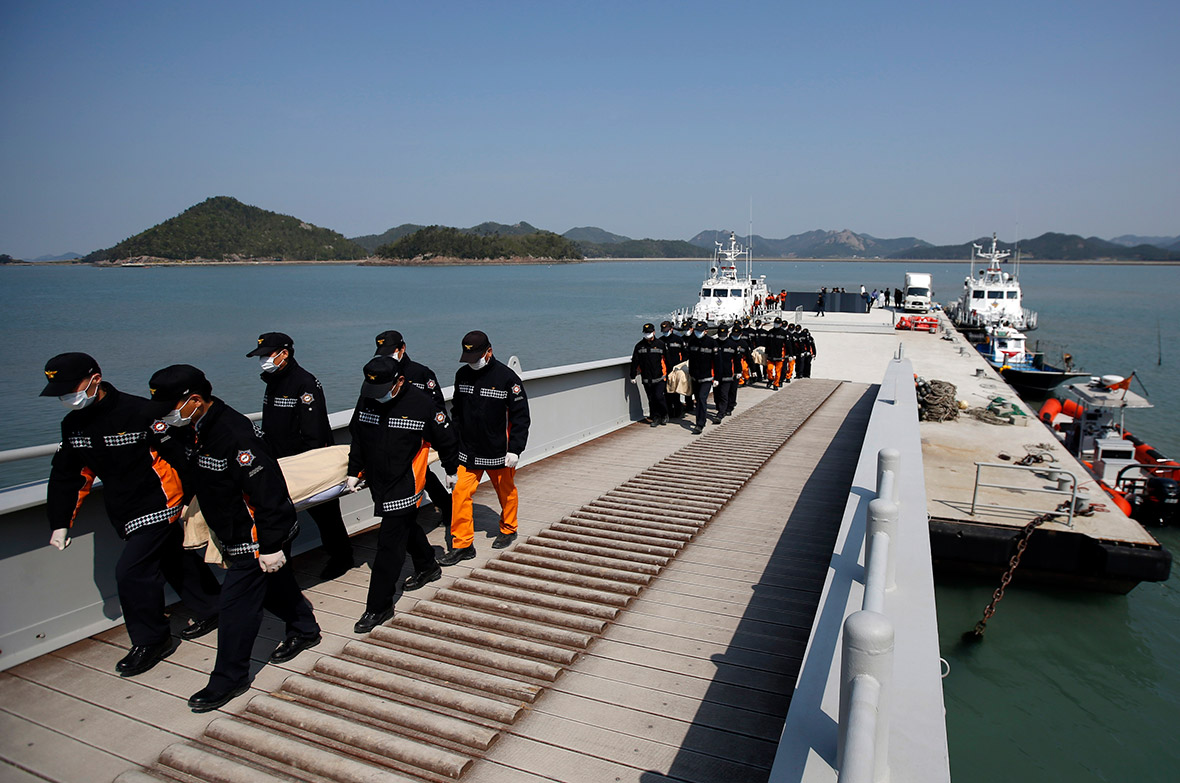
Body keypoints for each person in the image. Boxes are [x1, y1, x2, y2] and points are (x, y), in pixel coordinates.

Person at [147, 364, 320, 713]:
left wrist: (270, 546)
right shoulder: (194, 429)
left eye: (168, 410)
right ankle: (304, 627)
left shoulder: (236, 435)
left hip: (256, 535)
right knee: (275, 587)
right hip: (231, 530)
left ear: (194, 400)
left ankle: (229, 677)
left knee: (236, 607)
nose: (164, 418)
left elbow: (270, 494)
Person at [41, 353, 221, 677]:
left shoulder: (141, 413)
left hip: (162, 501)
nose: (66, 396)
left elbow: (182, 453)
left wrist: (191, 498)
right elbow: (71, 476)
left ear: (95, 379)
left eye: (71, 387)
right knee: (171, 558)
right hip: (123, 507)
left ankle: (152, 640)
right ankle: (211, 607)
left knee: (131, 572)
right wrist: (60, 523)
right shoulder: (73, 426)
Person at [345, 356, 459, 633]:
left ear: (399, 381)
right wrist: (354, 469)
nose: (377, 396)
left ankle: (379, 605)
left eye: (383, 389)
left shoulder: (422, 404)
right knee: (404, 527)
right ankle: (427, 565)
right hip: (378, 478)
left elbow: (446, 439)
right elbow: (358, 435)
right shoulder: (368, 398)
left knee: (388, 543)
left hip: (406, 481)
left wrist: (451, 469)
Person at [246, 332, 354, 580]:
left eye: (267, 355)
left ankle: (342, 557)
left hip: (306, 463)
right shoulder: (273, 382)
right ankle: (283, 570)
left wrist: (313, 465)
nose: (263, 360)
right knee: (280, 518)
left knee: (327, 516)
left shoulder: (304, 383)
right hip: (278, 463)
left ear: (284, 353)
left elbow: (314, 429)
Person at [442, 330, 531, 565]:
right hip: (468, 450)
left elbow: (521, 417)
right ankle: (462, 544)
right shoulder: (462, 375)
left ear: (488, 352)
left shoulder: (507, 378)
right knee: (460, 493)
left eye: (476, 358)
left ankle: (509, 527)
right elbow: (457, 412)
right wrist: (453, 445)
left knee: (506, 491)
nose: (472, 363)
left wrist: (515, 449)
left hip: (499, 451)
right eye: (468, 359)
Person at [373, 330, 453, 523]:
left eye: (391, 351)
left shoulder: (420, 373)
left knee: (422, 474)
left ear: (402, 348)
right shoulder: (379, 373)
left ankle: (445, 506)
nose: (387, 356)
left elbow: (437, 407)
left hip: (418, 435)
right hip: (391, 437)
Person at [629, 322, 668, 427]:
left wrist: (668, 375)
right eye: (646, 333)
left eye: (649, 332)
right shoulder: (639, 346)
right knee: (651, 399)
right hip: (646, 378)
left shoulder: (660, 344)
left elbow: (667, 360)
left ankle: (664, 414)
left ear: (654, 332)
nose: (648, 334)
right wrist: (632, 376)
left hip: (660, 377)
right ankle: (655, 418)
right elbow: (635, 362)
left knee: (659, 397)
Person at [685, 320, 718, 435]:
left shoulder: (712, 343)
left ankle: (700, 424)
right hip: (694, 376)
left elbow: (717, 361)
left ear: (706, 331)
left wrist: (717, 378)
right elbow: (687, 357)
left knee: (701, 399)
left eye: (700, 331)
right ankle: (700, 419)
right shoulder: (691, 341)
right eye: (696, 331)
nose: (697, 333)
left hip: (707, 377)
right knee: (698, 399)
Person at [659, 320, 686, 418]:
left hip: (676, 370)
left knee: (675, 392)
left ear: (671, 329)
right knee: (666, 393)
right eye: (663, 330)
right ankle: (669, 412)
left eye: (667, 330)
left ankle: (678, 412)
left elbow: (685, 354)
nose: (665, 332)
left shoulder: (678, 340)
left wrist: (681, 367)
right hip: (665, 370)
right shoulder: (660, 341)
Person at [713, 324, 739, 420]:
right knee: (717, 395)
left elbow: (737, 360)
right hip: (715, 375)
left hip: (728, 374)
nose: (722, 336)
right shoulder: (714, 343)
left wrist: (738, 371)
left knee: (724, 394)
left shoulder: (732, 345)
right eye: (720, 334)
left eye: (724, 334)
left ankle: (721, 414)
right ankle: (719, 407)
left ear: (728, 333)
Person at [765, 317, 786, 389]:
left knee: (778, 371)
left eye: (777, 323)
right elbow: (767, 343)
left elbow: (787, 344)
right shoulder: (770, 332)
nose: (776, 324)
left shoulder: (784, 333)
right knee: (769, 369)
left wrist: (790, 354)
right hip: (771, 354)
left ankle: (776, 384)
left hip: (779, 355)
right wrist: (766, 351)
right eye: (775, 323)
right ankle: (770, 379)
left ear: (780, 324)